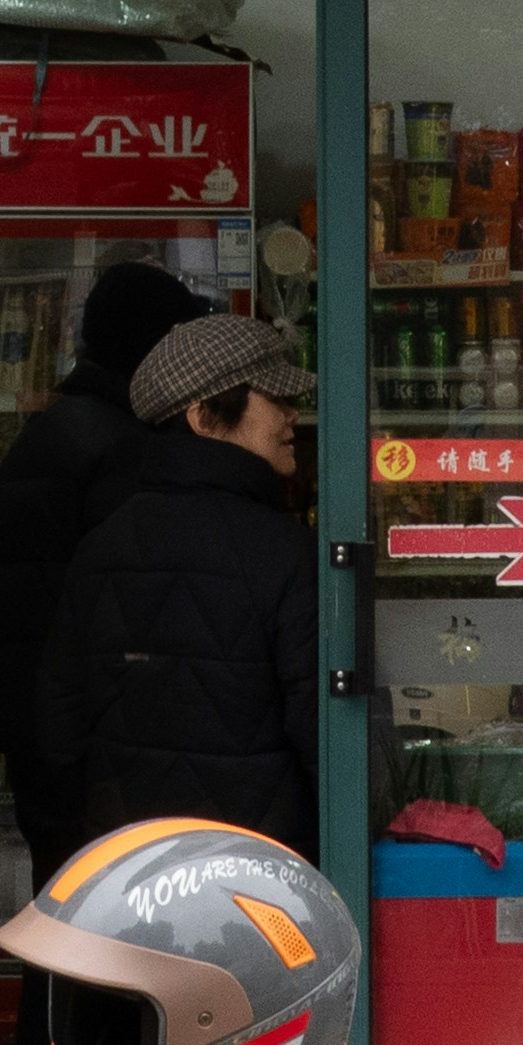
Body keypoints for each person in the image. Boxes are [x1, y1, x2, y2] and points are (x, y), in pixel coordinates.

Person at [0, 259, 218, 914]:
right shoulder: (117, 446)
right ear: (151, 350)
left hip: (42, 731)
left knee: (61, 924)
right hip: (84, 743)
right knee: (102, 932)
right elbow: (132, 610)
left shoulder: (59, 430)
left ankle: (49, 1022)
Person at [40, 312, 323, 855]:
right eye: (274, 400)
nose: (293, 415)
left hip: (126, 863)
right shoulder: (284, 552)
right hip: (256, 865)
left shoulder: (101, 545)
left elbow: (59, 723)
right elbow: (321, 733)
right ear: (203, 415)